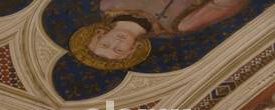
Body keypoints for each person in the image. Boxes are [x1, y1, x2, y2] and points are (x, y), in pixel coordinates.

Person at [70, 0, 250, 69]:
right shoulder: (180, 25)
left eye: (106, 44)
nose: (116, 43)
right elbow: (224, 4)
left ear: (100, 34)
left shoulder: (108, 4)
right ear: (132, 49)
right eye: (118, 50)